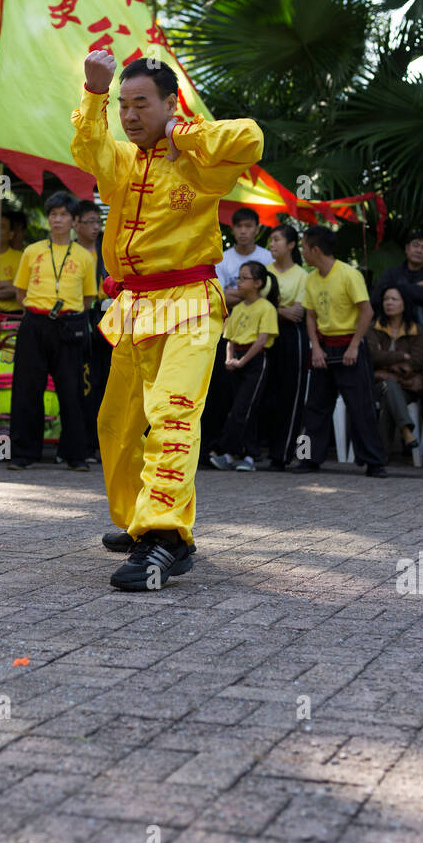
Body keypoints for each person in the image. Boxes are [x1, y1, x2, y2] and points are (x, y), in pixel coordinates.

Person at [71, 50, 263, 591]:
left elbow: (249, 138)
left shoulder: (200, 160)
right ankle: (141, 521)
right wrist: (92, 91)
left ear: (168, 105)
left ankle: (165, 536)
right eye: (123, 105)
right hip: (134, 308)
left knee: (172, 413)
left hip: (190, 306)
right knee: (119, 425)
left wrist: (187, 134)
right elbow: (87, 146)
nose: (130, 116)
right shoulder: (122, 163)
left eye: (141, 104)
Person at [6, 191, 96, 473]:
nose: (57, 220)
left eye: (63, 215)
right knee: (26, 389)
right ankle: (22, 454)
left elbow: (88, 298)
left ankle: (75, 455)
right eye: (53, 215)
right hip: (35, 323)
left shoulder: (84, 256)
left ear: (74, 221)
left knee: (72, 390)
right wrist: (41, 311)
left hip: (69, 326)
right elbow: (20, 293)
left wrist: (68, 315)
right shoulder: (33, 251)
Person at [296, 225, 388, 477]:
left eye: (304, 247)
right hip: (324, 348)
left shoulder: (349, 274)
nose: (302, 252)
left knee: (361, 405)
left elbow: (366, 311)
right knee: (316, 406)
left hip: (351, 346)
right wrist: (315, 347)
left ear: (315, 250)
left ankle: (374, 462)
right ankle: (309, 459)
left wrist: (355, 345)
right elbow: (311, 316)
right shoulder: (311, 278)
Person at [210, 261, 280, 471]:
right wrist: (229, 359)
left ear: (258, 283)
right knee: (237, 408)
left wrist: (242, 361)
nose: (238, 282)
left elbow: (261, 340)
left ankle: (235, 454)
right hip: (237, 359)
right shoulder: (238, 308)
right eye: (238, 277)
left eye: (244, 278)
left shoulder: (266, 308)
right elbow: (229, 338)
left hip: (255, 360)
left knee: (244, 408)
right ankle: (242, 454)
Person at [264, 223, 310, 470]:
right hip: (261, 335)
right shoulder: (263, 271)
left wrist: (273, 309)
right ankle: (252, 451)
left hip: (292, 338)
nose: (272, 244)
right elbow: (252, 303)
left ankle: (281, 454)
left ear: (291, 245)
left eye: (277, 240)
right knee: (262, 393)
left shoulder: (303, 275)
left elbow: (297, 314)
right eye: (270, 240)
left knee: (289, 394)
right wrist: (280, 310)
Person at [367, 285, 423, 456]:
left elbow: (416, 362)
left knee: (389, 392)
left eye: (394, 299)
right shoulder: (373, 328)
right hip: (377, 384)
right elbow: (372, 357)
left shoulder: (416, 331)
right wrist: (401, 356)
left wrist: (385, 358)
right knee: (388, 386)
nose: (389, 303)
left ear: (404, 304)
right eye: (386, 299)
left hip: (406, 386)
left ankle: (381, 454)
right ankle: (406, 431)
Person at [74, 199, 110, 459]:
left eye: (98, 221)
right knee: (80, 381)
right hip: (76, 317)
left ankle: (103, 443)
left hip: (107, 316)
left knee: (106, 380)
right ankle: (81, 443)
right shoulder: (68, 251)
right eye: (90, 222)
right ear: (76, 224)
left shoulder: (107, 247)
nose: (96, 227)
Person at [370, 228, 423, 336]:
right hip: (389, 334)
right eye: (415, 245)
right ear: (407, 248)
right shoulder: (391, 273)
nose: (419, 250)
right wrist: (415, 288)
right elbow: (376, 298)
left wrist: (394, 289)